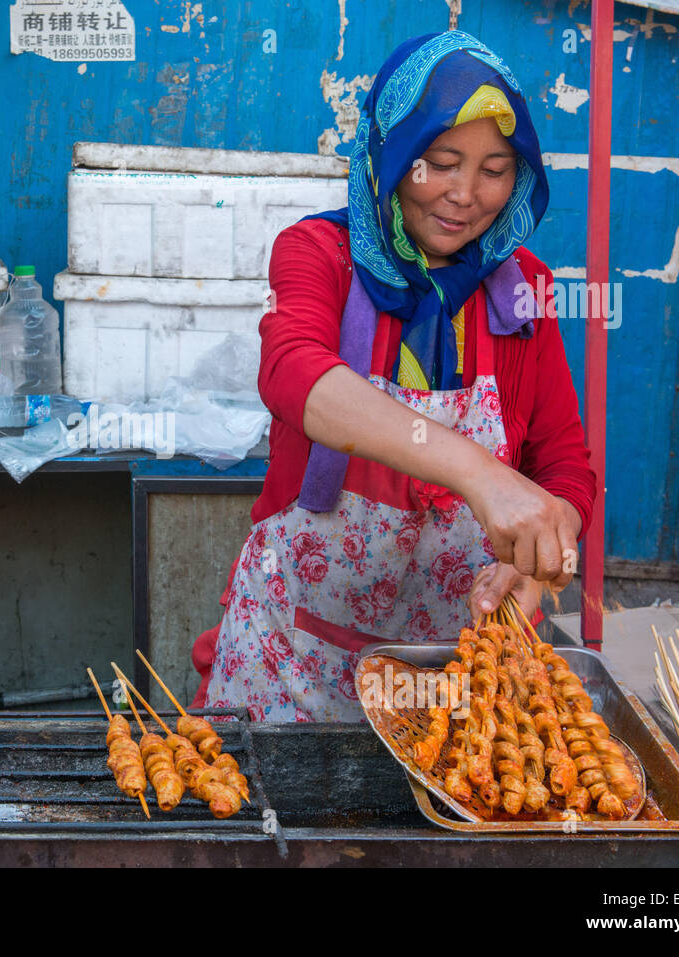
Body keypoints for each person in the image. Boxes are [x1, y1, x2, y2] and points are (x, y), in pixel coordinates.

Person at [193, 31, 596, 721]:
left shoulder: (524, 289)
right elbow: (295, 373)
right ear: (393, 150)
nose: (466, 195)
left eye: (496, 169)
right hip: (295, 662)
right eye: (440, 162)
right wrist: (481, 473)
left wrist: (544, 541)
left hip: (449, 678)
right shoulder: (322, 254)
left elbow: (565, 464)